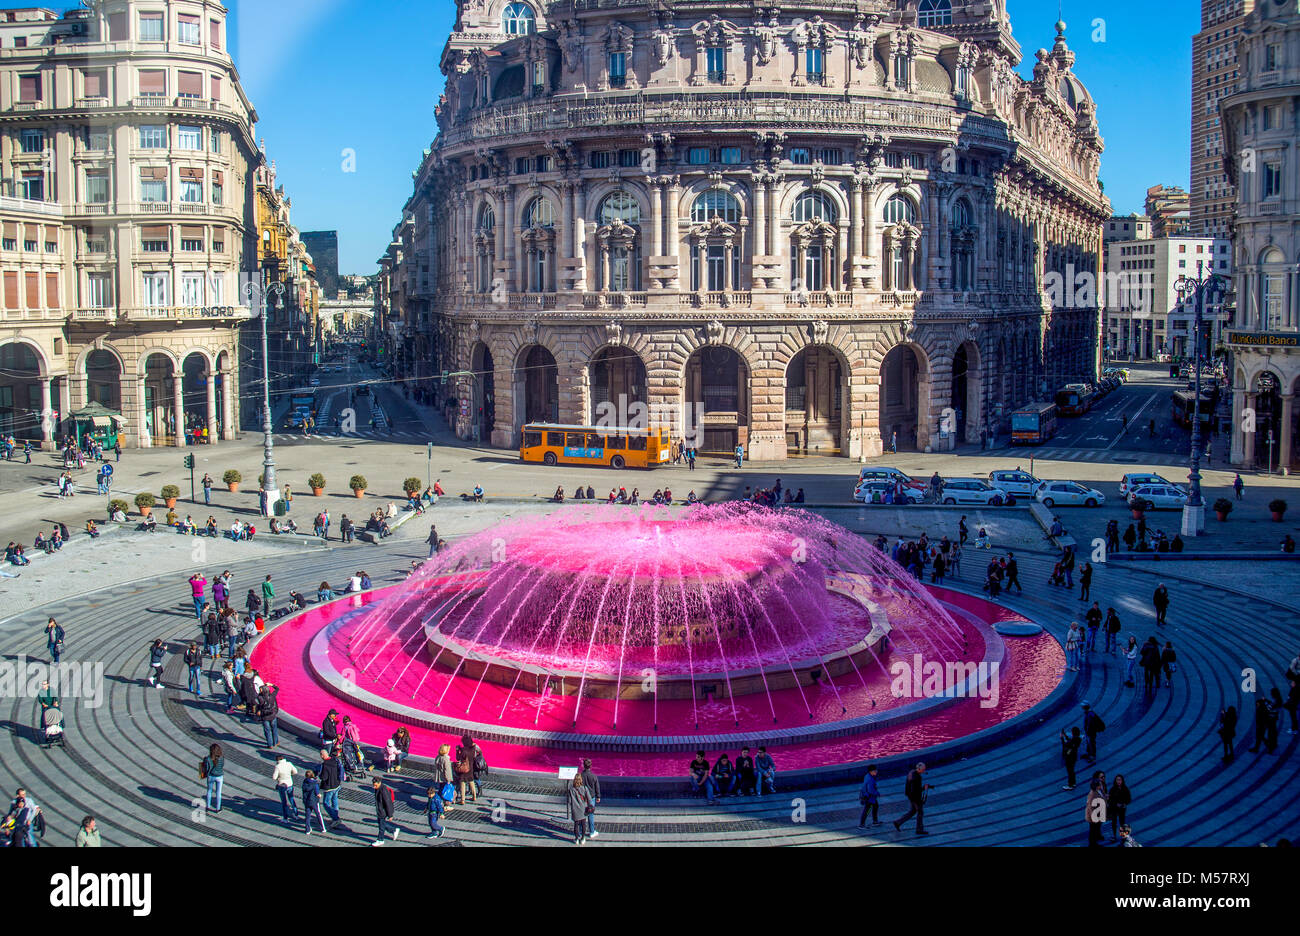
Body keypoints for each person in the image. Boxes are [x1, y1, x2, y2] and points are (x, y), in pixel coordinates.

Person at [893, 763, 931, 835]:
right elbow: (916, 790)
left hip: (910, 796)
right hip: (915, 798)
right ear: (919, 769)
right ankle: (919, 829)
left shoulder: (911, 772)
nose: (924, 771)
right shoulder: (917, 778)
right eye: (923, 770)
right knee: (920, 812)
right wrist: (924, 788)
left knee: (913, 811)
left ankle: (898, 822)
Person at [370, 777, 401, 846]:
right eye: (373, 785)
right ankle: (393, 830)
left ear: (379, 783)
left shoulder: (383, 790)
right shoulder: (378, 788)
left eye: (375, 785)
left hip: (383, 811)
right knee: (381, 824)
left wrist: (390, 815)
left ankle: (380, 840)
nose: (374, 787)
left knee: (381, 827)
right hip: (380, 810)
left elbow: (388, 803)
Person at [567, 773, 595, 845]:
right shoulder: (585, 788)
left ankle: (576, 838)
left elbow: (569, 801)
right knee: (583, 824)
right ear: (581, 780)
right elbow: (589, 799)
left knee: (576, 825)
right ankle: (582, 838)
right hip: (583, 808)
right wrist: (590, 806)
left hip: (575, 809)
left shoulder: (571, 790)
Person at [318, 749, 343, 827]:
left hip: (329, 787)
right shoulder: (335, 760)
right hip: (337, 784)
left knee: (326, 803)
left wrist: (319, 775)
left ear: (322, 756)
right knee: (334, 800)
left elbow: (324, 777)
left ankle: (336, 818)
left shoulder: (325, 765)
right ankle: (335, 815)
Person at [581, 758, 601, 838]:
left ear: (583, 766)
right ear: (591, 766)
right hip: (591, 797)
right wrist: (598, 796)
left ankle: (580, 832)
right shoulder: (593, 776)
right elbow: (597, 787)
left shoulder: (581, 775)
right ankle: (592, 832)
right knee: (591, 814)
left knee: (582, 814)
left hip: (583, 797)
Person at [301, 770, 326, 835]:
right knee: (318, 814)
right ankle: (323, 828)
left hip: (306, 801)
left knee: (307, 816)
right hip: (314, 801)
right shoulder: (315, 783)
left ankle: (307, 829)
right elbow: (317, 793)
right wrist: (319, 795)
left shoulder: (305, 782)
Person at [202, 743, 224, 813]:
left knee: (209, 791)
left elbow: (205, 767)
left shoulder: (208, 758)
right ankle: (218, 808)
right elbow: (222, 766)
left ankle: (207, 807)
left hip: (211, 776)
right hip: (219, 776)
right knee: (218, 793)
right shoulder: (221, 757)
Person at [1109, 775, 1132, 841]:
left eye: (1120, 780)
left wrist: (1124, 803)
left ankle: (1123, 836)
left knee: (1122, 822)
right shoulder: (1113, 789)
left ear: (1122, 781)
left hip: (1122, 809)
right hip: (1114, 808)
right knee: (1114, 822)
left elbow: (1129, 799)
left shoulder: (1125, 789)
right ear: (1115, 781)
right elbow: (1110, 800)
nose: (1118, 781)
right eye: (1117, 780)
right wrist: (1116, 804)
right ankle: (1114, 836)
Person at [1086, 778, 1107, 847]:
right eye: (1100, 784)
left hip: (1100, 813)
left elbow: (1102, 796)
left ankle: (1098, 836)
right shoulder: (1092, 795)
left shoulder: (1099, 790)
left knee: (1098, 827)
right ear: (1096, 786)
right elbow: (1090, 807)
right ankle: (1092, 843)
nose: (1101, 785)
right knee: (1093, 830)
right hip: (1094, 815)